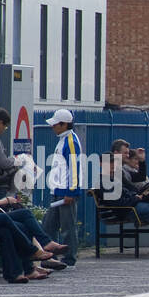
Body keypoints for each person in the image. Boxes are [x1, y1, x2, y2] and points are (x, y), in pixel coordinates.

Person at [0, 152, 68, 270]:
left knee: (23, 222)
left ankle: (35, 261)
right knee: (24, 215)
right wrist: (5, 201)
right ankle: (43, 248)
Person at [40, 109, 83, 267]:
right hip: (59, 190)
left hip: (65, 191)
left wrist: (71, 192)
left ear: (64, 125)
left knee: (67, 226)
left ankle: (69, 257)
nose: (53, 127)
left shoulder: (70, 141)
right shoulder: (65, 139)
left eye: (55, 125)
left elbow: (74, 168)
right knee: (49, 225)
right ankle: (51, 256)